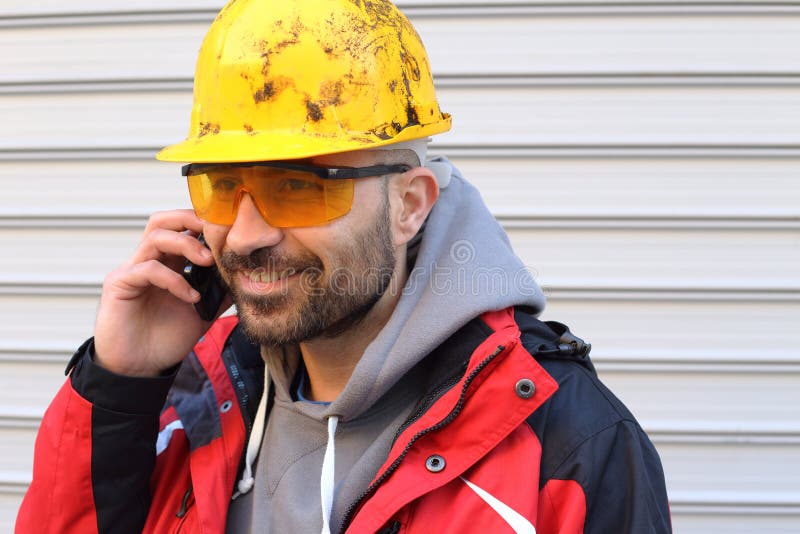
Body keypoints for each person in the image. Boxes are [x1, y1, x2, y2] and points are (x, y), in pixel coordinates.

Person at [17, 0, 671, 532]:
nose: (245, 236)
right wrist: (121, 388)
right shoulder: (183, 407)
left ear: (409, 205)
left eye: (300, 186)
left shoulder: (568, 447)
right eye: (220, 186)